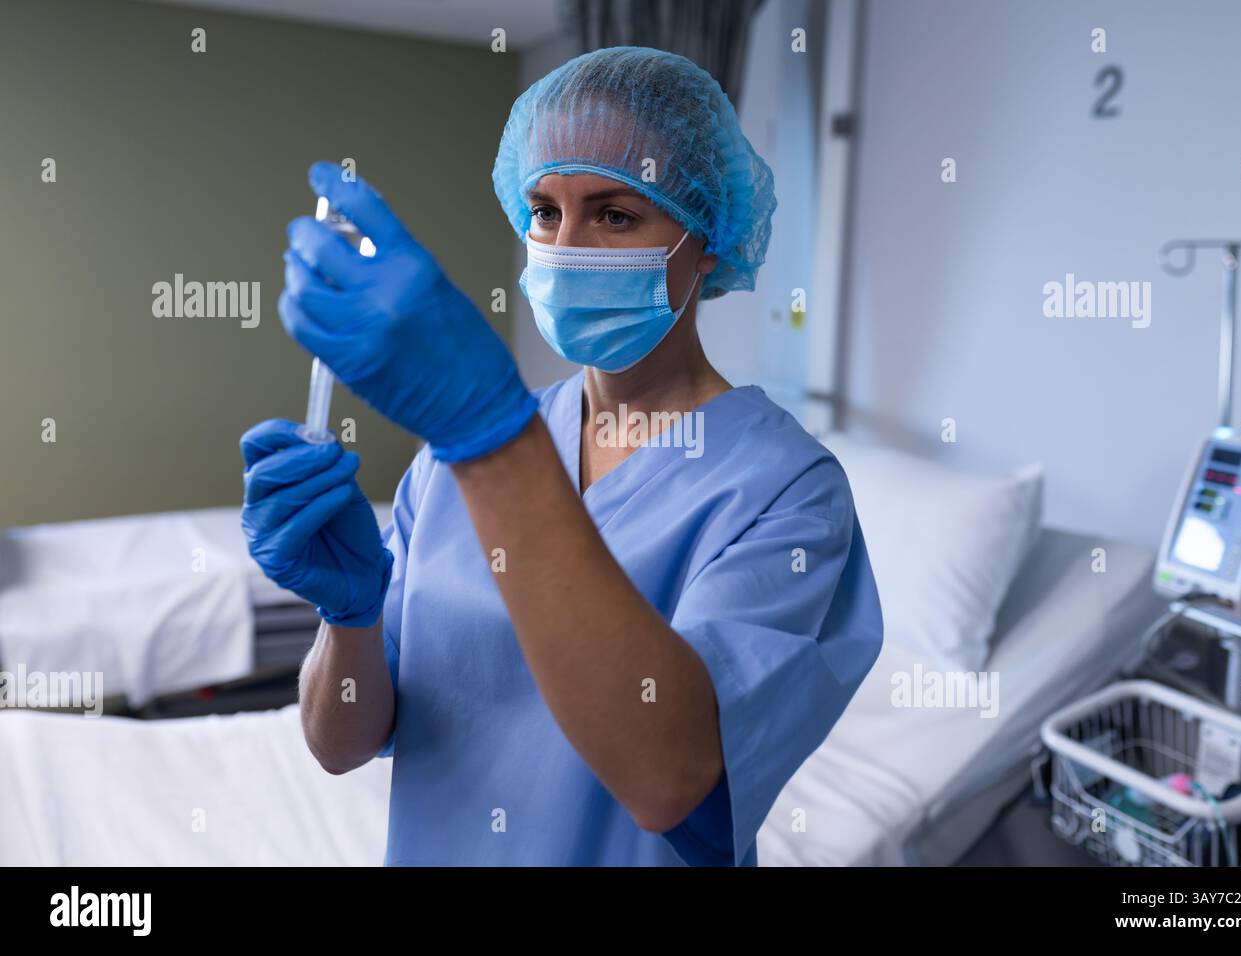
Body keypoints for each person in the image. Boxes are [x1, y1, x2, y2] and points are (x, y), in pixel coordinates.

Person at [240, 46, 883, 866]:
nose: (567, 244)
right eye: (544, 211)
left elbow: (668, 775)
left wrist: (489, 437)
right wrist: (349, 617)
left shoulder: (782, 490)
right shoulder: (452, 462)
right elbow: (340, 743)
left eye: (615, 214)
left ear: (708, 239)